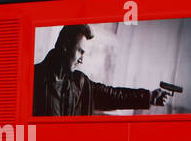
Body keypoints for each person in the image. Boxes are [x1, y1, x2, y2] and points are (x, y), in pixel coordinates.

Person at [32, 24, 170, 117]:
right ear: (65, 46)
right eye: (80, 52)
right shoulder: (31, 79)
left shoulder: (79, 83)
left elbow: (113, 95)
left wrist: (149, 97)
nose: (82, 60)